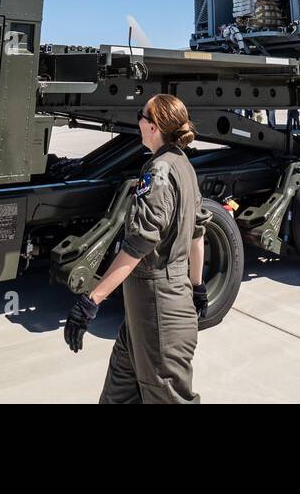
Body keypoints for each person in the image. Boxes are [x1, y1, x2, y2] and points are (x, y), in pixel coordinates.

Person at [64, 93, 210, 404]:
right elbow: (198, 233)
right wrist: (197, 287)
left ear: (154, 127)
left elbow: (139, 245)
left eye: (141, 117)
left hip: (159, 310)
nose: (138, 122)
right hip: (145, 313)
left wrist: (92, 300)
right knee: (118, 394)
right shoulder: (182, 164)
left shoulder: (158, 172)